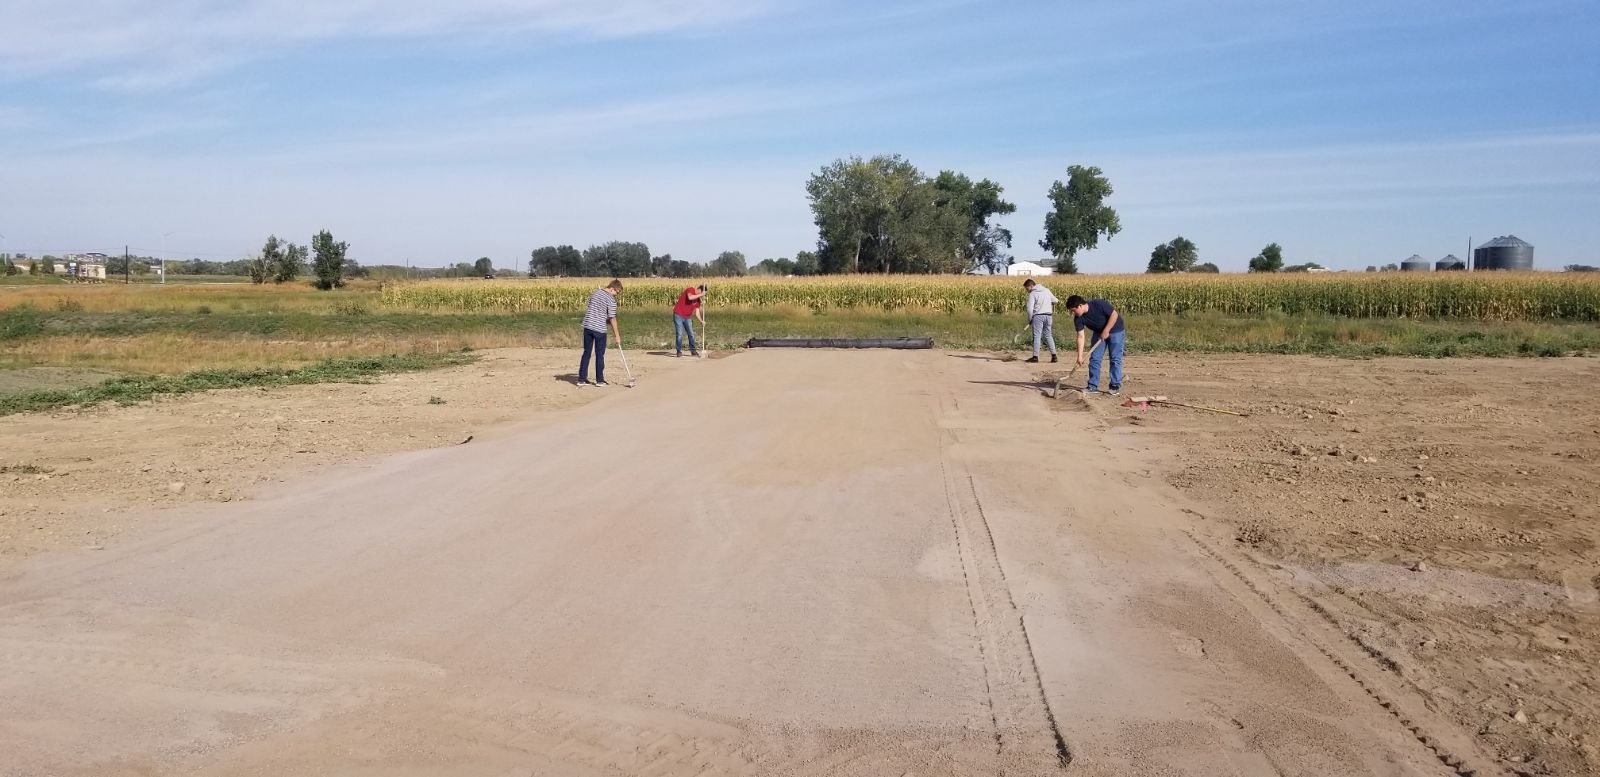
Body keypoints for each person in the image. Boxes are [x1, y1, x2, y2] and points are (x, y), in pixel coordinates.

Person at [1066, 295, 1125, 396]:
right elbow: (1080, 336)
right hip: (1098, 333)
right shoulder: (1078, 318)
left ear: (1080, 306)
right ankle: (1092, 386)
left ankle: (1115, 385)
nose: (1073, 313)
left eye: (1073, 310)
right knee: (1094, 359)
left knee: (1115, 359)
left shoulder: (1099, 304)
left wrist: (1106, 330)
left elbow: (1114, 315)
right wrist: (1079, 356)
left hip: (1116, 331)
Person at [578, 279, 622, 386]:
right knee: (599, 354)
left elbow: (591, 308)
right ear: (612, 289)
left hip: (588, 326)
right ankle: (600, 380)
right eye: (617, 292)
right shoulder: (611, 300)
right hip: (599, 330)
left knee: (586, 352)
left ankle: (582, 379)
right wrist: (617, 336)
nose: (617, 295)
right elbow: (612, 318)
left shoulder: (595, 293)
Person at [1022, 278, 1058, 363]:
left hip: (1038, 316)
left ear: (1031, 286)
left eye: (1027, 288)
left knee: (1037, 336)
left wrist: (1030, 319)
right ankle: (1054, 356)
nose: (1027, 291)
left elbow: (1030, 309)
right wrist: (1048, 303)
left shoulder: (1033, 294)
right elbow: (1056, 301)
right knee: (1048, 335)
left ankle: (1035, 357)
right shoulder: (1046, 290)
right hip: (1049, 315)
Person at [672, 284, 706, 357]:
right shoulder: (690, 290)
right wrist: (700, 294)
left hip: (687, 317)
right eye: (703, 293)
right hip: (678, 314)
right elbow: (690, 297)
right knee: (679, 334)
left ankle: (693, 351)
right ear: (700, 290)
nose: (702, 296)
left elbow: (697, 313)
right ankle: (679, 351)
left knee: (691, 334)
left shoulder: (698, 301)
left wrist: (701, 321)